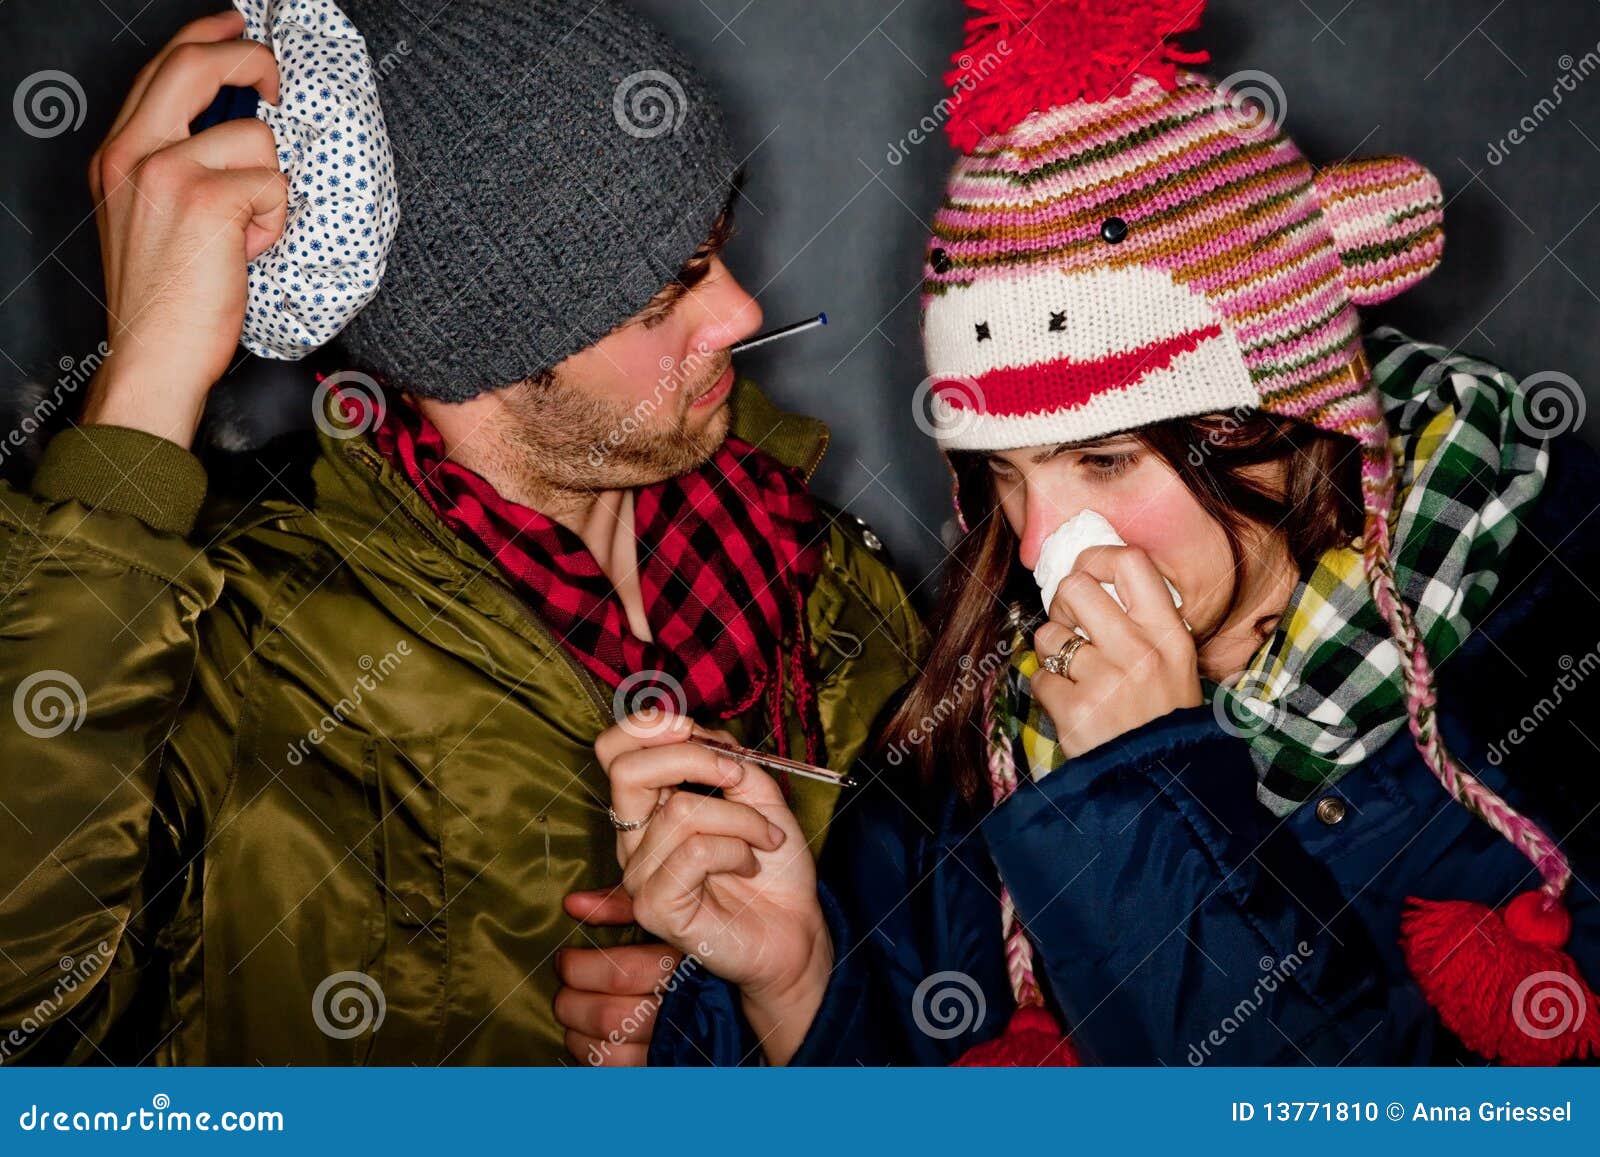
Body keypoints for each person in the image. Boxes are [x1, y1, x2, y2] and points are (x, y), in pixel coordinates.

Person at [602, 0, 1600, 1067]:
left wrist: (1141, 790)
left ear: (1287, 425)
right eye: (1004, 475)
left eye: (1107, 459)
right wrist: (796, 987)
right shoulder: (973, 726)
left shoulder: (1555, 655)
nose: (1041, 551)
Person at [0, 2, 924, 1065]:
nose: (743, 311)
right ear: (475, 346)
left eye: (715, 247)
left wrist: (763, 1022)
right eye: (666, 290)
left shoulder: (833, 584)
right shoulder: (233, 657)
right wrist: (143, 385)